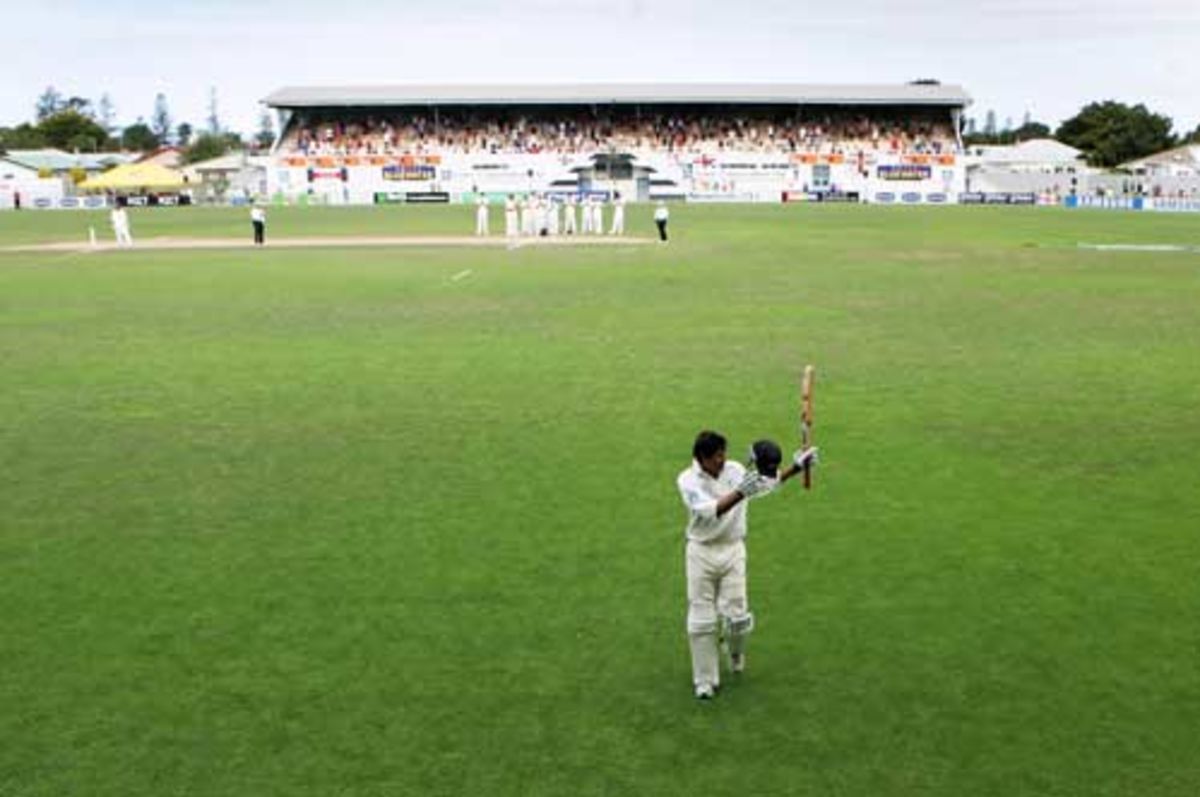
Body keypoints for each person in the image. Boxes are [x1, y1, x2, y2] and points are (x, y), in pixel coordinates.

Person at [676, 431, 818, 700]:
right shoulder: (687, 480)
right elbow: (710, 510)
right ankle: (705, 681)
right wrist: (741, 492)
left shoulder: (734, 469)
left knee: (738, 618)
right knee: (701, 621)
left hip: (733, 549)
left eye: (723, 453)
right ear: (702, 458)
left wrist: (796, 468)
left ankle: (735, 652)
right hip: (700, 553)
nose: (723, 459)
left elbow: (765, 485)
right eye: (717, 456)